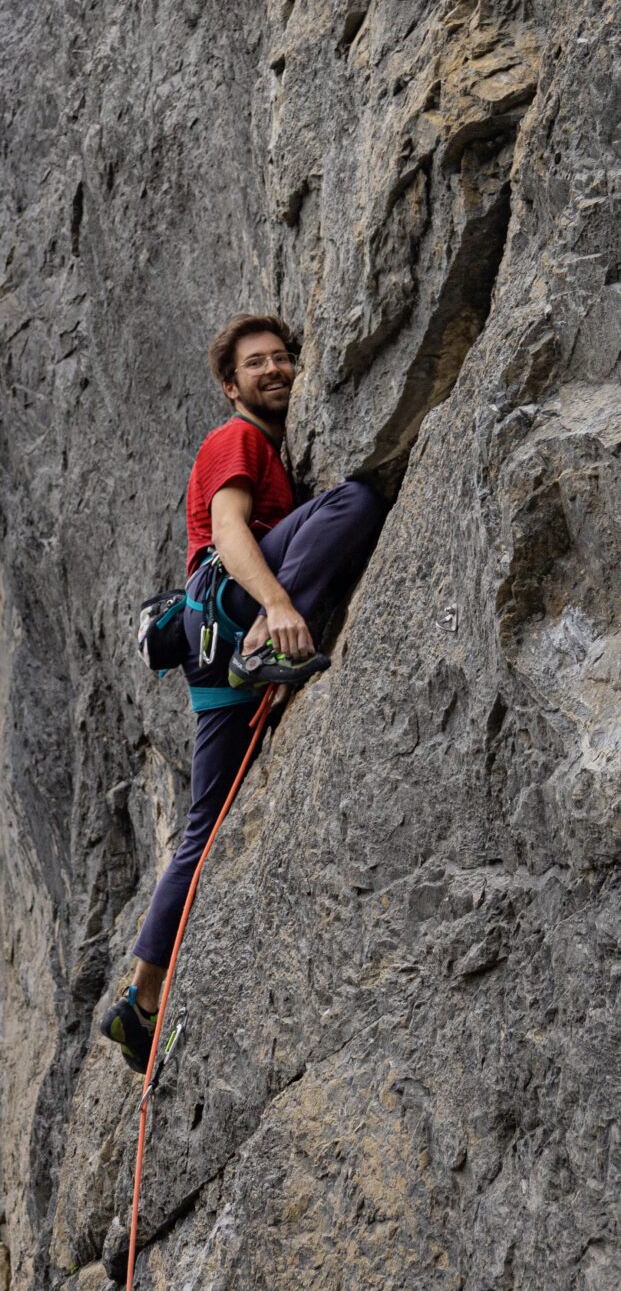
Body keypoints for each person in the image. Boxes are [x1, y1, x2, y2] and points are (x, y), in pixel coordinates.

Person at [99, 313, 387, 1072]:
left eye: (282, 358)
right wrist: (278, 609)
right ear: (230, 385)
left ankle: (140, 1001)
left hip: (209, 650)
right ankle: (262, 650)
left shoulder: (267, 448)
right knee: (352, 502)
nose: (274, 370)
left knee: (203, 828)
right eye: (255, 363)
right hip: (232, 618)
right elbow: (227, 533)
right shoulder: (238, 440)